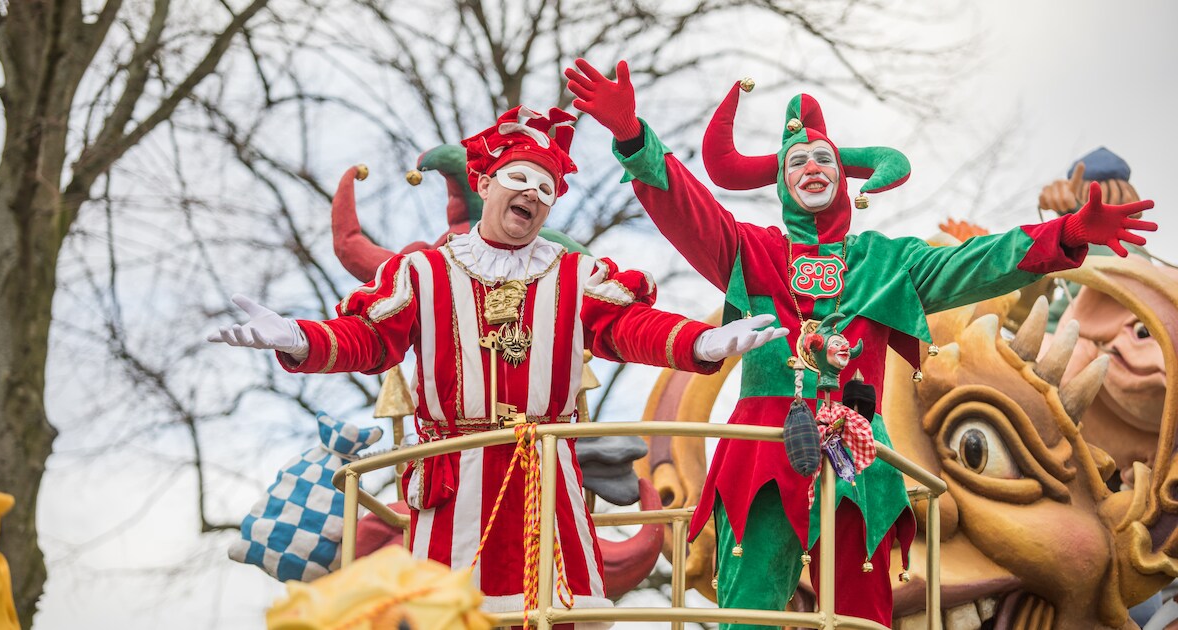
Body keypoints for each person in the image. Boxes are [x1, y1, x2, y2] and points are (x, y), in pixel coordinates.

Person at [565, 59, 1157, 626]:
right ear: (780, 181)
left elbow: (979, 260)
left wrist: (1067, 232)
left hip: (859, 455)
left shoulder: (884, 261)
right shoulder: (752, 252)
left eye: (824, 158)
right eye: (796, 162)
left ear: (844, 176)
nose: (811, 167)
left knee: (861, 607)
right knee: (750, 605)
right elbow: (688, 209)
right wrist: (633, 135)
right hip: (765, 447)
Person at [208, 105, 788, 621]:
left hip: (547, 481)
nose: (534, 194)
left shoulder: (571, 274)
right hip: (452, 483)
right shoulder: (425, 274)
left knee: (559, 614)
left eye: (547, 187)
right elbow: (368, 336)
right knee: (446, 614)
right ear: (484, 184)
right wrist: (298, 338)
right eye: (520, 179)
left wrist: (699, 343)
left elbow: (625, 327)